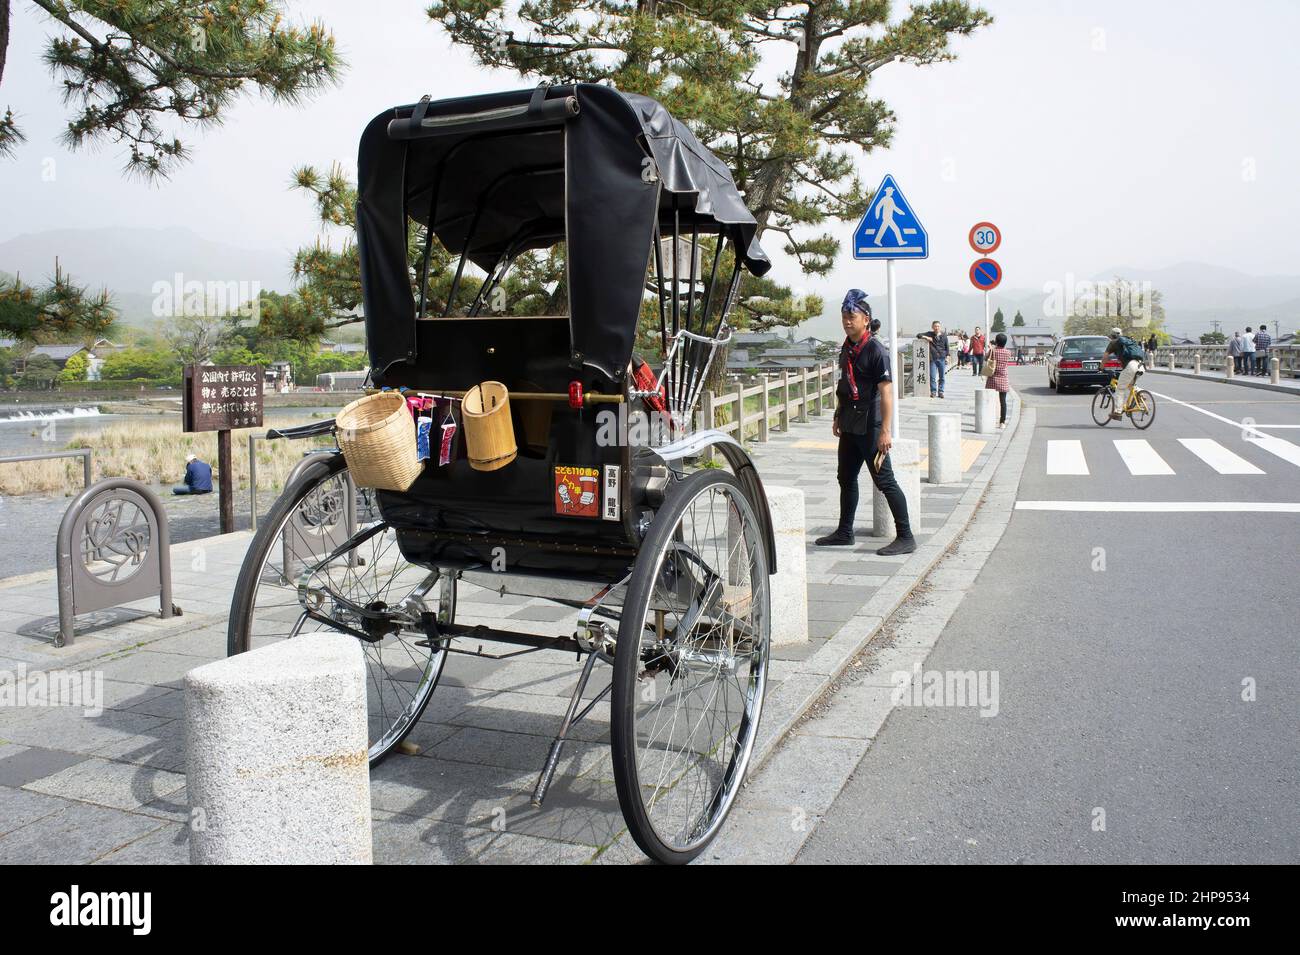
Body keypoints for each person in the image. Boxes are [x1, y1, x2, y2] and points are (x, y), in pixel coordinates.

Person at [815, 289, 915, 556]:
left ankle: (905, 536)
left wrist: (886, 431)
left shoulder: (876, 350)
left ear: (866, 319)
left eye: (852, 316)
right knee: (845, 478)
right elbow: (844, 383)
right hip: (849, 421)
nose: (847, 321)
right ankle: (844, 531)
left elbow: (886, 392)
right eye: (844, 316)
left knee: (885, 481)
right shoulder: (847, 347)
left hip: (871, 425)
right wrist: (838, 415)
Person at [1103, 327, 1146, 420]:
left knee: (1120, 389)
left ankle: (1118, 412)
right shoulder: (1129, 340)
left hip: (1131, 366)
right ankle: (1140, 394)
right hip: (1141, 365)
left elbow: (1105, 356)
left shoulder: (1113, 343)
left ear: (1112, 336)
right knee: (1130, 385)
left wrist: (1101, 367)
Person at [985, 332, 1014, 428]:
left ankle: (990, 419)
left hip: (992, 377)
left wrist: (991, 348)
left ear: (996, 342)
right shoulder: (1008, 352)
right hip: (1003, 377)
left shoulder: (993, 351)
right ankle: (1002, 422)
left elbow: (986, 358)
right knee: (1003, 401)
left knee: (989, 400)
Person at [915, 320, 949, 398]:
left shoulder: (944, 336)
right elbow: (918, 335)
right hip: (932, 359)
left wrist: (947, 357)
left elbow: (947, 348)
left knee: (942, 377)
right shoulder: (930, 334)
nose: (936, 328)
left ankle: (941, 391)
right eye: (935, 326)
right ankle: (933, 391)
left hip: (942, 358)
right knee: (932, 377)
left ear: (940, 327)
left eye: (938, 326)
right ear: (932, 327)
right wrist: (926, 337)